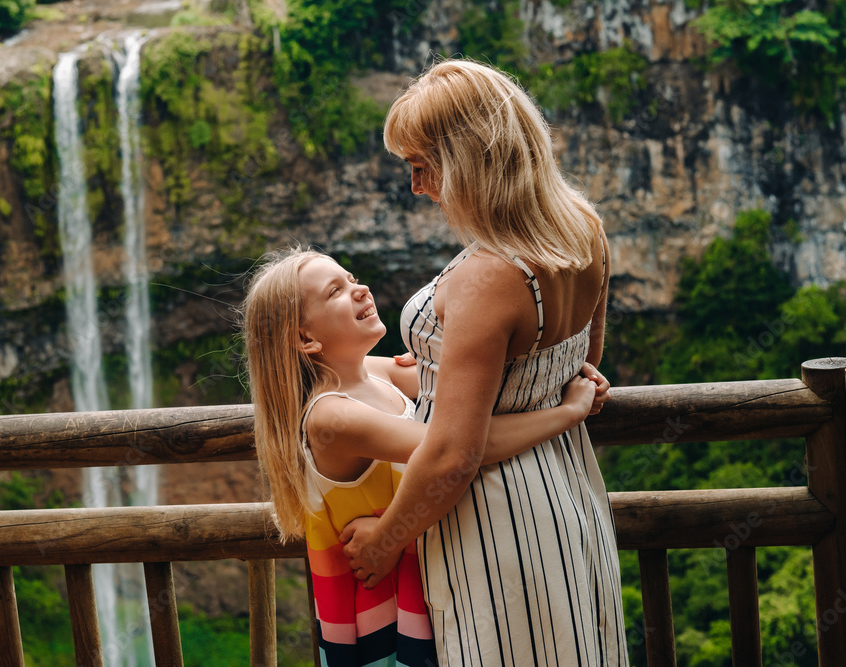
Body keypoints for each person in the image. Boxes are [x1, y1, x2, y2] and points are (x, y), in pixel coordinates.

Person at [339, 58, 628, 666]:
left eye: (422, 166)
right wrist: (437, 371)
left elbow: (451, 456)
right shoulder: (583, 228)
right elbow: (579, 370)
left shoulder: (488, 277)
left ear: (469, 159)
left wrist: (386, 540)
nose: (416, 186)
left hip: (497, 522)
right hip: (570, 492)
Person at [241, 247, 609, 667]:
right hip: (390, 616)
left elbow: (486, 383)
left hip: (430, 586)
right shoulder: (331, 416)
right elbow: (464, 446)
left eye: (353, 277)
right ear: (306, 338)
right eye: (335, 291)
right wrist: (567, 412)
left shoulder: (377, 372)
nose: (360, 290)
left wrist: (567, 374)